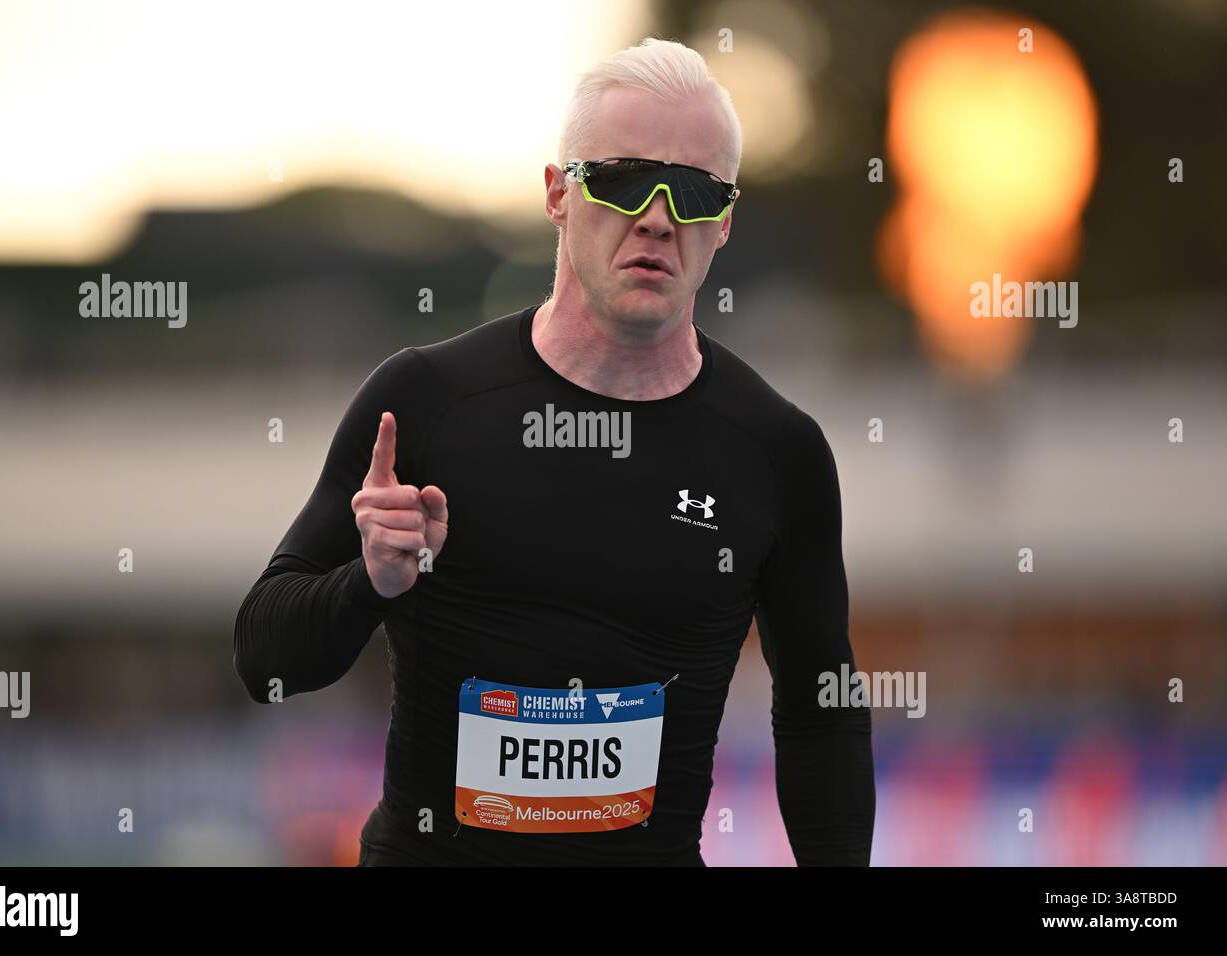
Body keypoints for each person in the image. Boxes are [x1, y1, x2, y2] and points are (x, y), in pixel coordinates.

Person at [234, 36, 874, 866]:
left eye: (693, 193)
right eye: (621, 179)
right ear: (556, 195)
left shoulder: (776, 450)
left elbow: (822, 710)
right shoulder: (426, 403)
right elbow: (263, 661)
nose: (656, 219)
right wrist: (372, 583)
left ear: (724, 223)